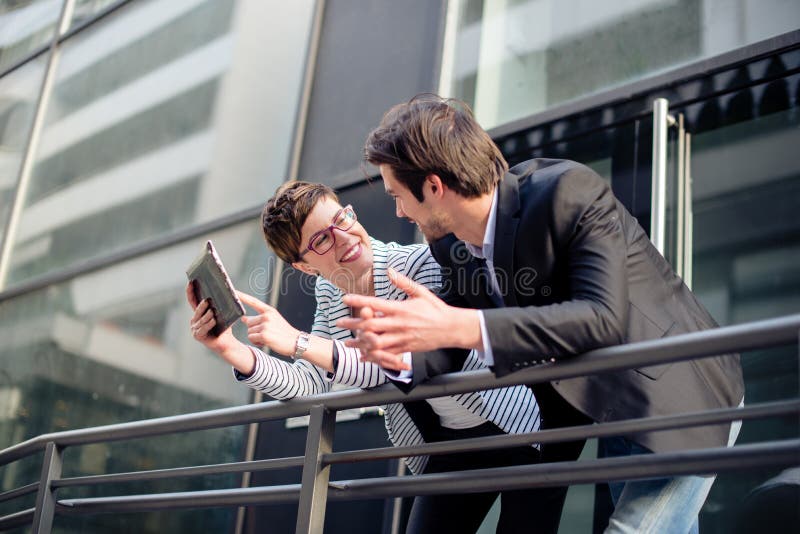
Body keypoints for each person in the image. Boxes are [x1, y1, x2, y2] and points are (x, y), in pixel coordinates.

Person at [338, 94, 746, 533]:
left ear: (434, 187)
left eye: (399, 196)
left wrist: (461, 326)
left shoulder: (568, 191)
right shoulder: (450, 243)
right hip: (613, 408)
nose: (399, 211)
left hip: (682, 393)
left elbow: (600, 319)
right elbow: (453, 333)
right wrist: (400, 353)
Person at [187, 180, 560, 534]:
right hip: (449, 442)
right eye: (321, 239)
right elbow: (312, 382)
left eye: (342, 219)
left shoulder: (417, 265)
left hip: (515, 424)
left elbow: (392, 362)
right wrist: (231, 349)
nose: (344, 237)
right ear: (304, 266)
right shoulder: (330, 294)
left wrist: (296, 340)